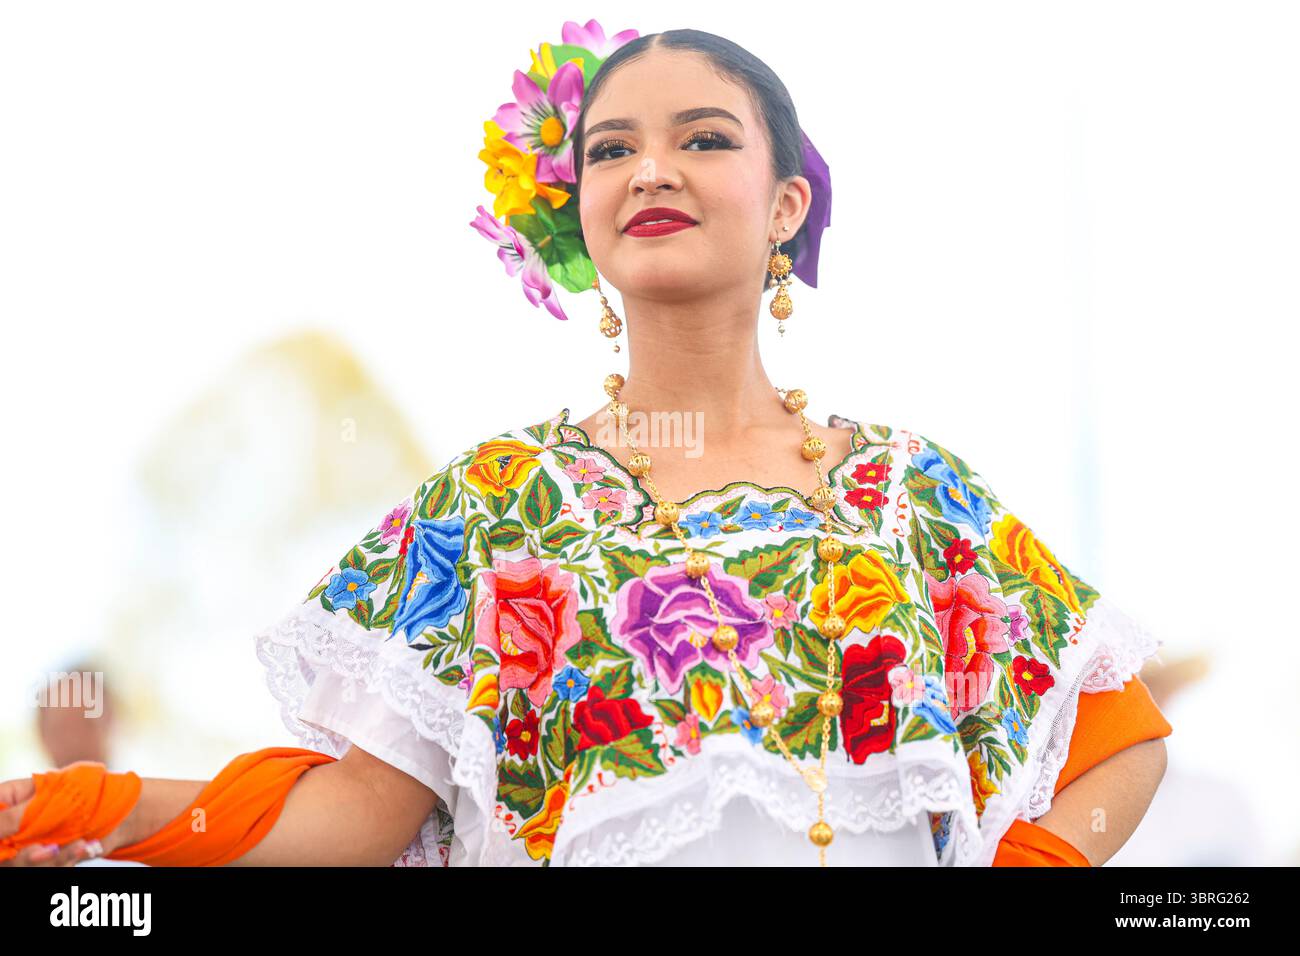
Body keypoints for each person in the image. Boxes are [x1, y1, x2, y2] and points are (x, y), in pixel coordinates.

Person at [0, 24, 1171, 868]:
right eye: (609, 150)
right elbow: (356, 814)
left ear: (784, 206)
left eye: (702, 138)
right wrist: (79, 802)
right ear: (579, 211)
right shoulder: (500, 503)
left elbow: (1119, 743)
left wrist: (1046, 866)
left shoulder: (907, 493)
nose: (649, 168)